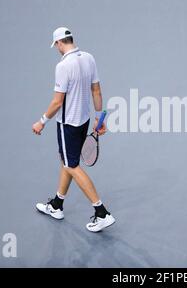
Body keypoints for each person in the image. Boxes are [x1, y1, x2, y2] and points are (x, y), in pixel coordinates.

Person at [32, 27, 115, 232]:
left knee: (72, 166)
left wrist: (41, 121)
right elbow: (96, 90)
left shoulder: (63, 66)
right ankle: (57, 205)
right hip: (85, 120)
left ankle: (102, 212)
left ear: (60, 43)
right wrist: (100, 118)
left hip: (67, 123)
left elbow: (57, 102)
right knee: (67, 161)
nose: (57, 49)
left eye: (56, 46)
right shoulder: (89, 58)